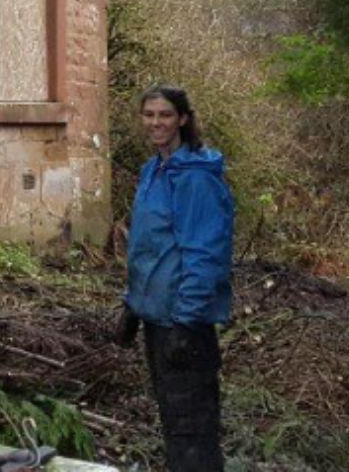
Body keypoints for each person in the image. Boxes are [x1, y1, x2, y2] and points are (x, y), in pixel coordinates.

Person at [119, 84, 235, 471]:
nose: (156, 123)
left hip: (185, 325)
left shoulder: (196, 178)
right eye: (149, 114)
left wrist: (186, 321)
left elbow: (205, 256)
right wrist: (133, 305)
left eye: (165, 115)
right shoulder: (154, 170)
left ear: (183, 119)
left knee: (192, 432)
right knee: (173, 423)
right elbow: (149, 246)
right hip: (157, 319)